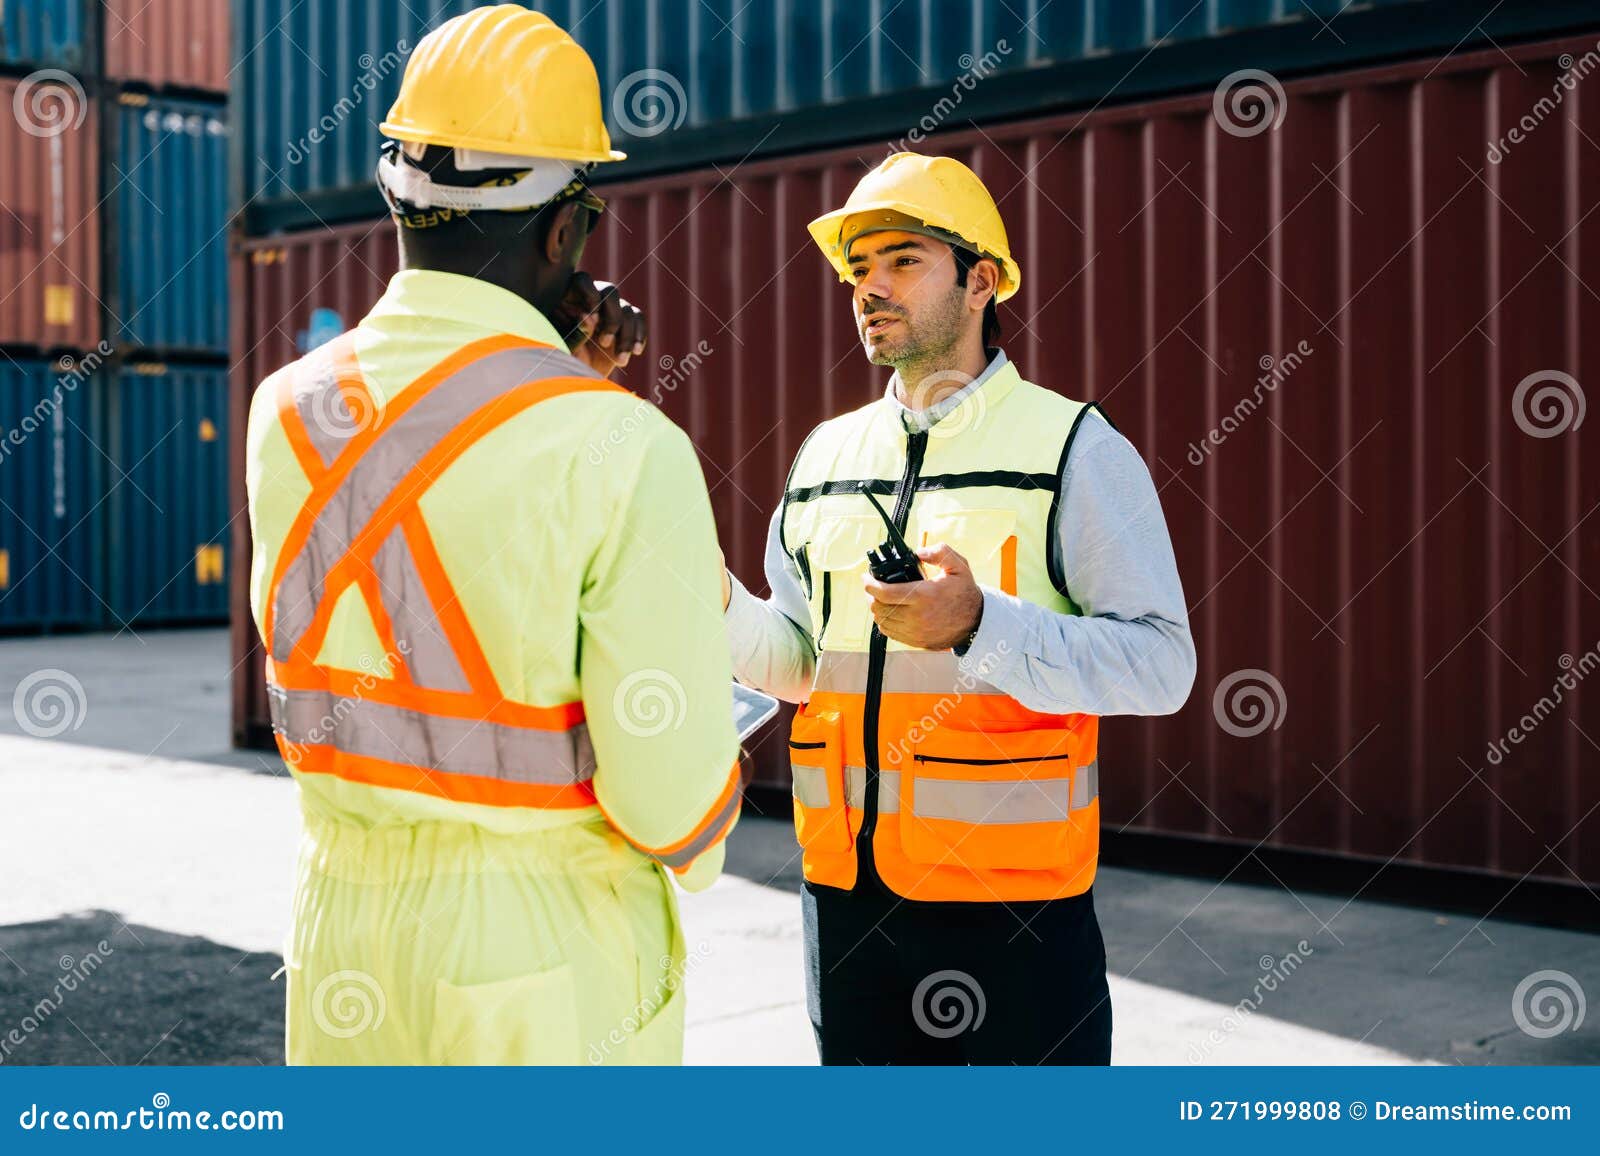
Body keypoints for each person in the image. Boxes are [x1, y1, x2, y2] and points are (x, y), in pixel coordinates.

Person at [244, 5, 740, 1065]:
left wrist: (555, 379)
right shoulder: (619, 445)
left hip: (343, 938)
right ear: (566, 229)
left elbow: (422, 505)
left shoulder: (284, 411)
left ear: (396, 197)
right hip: (544, 956)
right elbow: (669, 802)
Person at [722, 151, 1196, 1064]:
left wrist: (982, 627)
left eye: (903, 260)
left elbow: (1160, 666)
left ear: (981, 281)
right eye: (860, 268)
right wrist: (706, 600)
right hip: (845, 905)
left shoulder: (1072, 446)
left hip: (1013, 915)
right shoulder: (824, 456)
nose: (870, 287)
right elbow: (794, 664)